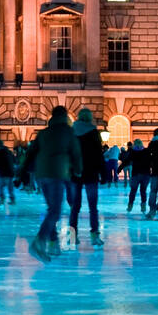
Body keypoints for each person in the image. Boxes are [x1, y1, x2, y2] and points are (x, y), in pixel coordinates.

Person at [24, 106, 82, 261]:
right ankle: (40, 241)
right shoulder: (68, 131)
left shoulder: (44, 133)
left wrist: (21, 172)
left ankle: (53, 243)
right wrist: (78, 170)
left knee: (52, 210)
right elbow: (76, 153)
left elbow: (30, 153)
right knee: (55, 211)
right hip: (57, 173)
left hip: (41, 174)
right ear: (65, 117)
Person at [70, 108, 107, 245]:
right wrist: (103, 173)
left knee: (75, 207)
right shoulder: (93, 132)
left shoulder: (72, 131)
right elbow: (98, 154)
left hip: (75, 173)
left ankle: (72, 237)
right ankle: (94, 236)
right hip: (91, 172)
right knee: (93, 207)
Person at [126, 139, 152, 212]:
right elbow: (150, 161)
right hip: (145, 174)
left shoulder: (132, 152)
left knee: (133, 190)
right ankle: (143, 205)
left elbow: (128, 160)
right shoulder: (146, 151)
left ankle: (130, 205)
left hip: (136, 173)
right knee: (143, 191)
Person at [0, 139, 17, 206]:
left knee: (1, 187)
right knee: (9, 187)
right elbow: (14, 160)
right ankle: (12, 200)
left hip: (3, 172)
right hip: (9, 172)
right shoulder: (9, 151)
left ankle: (2, 200)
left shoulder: (0, 152)